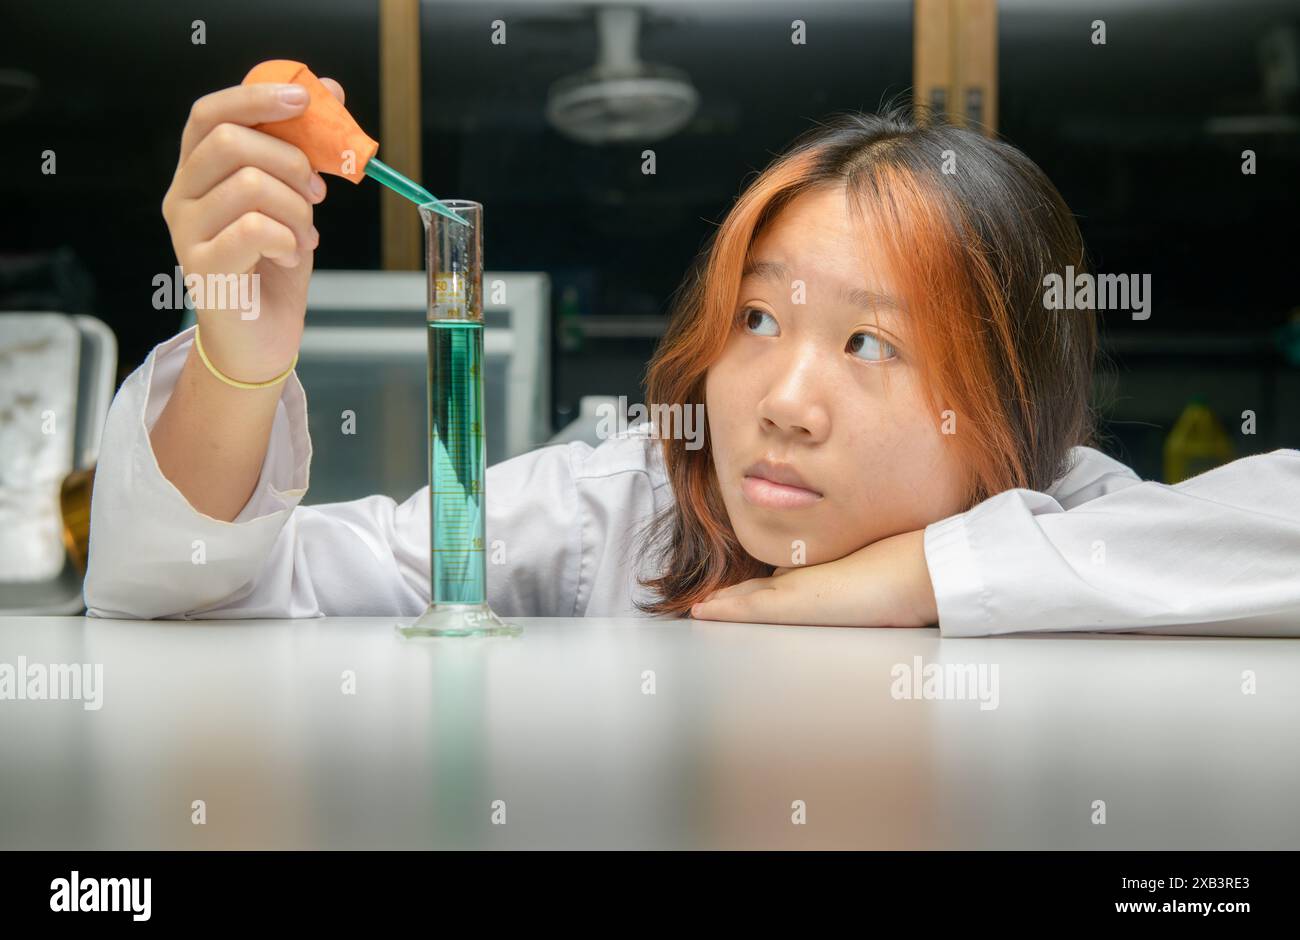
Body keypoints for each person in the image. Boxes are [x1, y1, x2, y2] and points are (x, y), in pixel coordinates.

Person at [83, 77, 1300, 636]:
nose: (779, 399)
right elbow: (190, 590)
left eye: (869, 340)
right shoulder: (627, 502)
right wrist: (240, 356)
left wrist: (911, 579)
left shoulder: (1071, 509)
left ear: (1010, 403)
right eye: (758, 319)